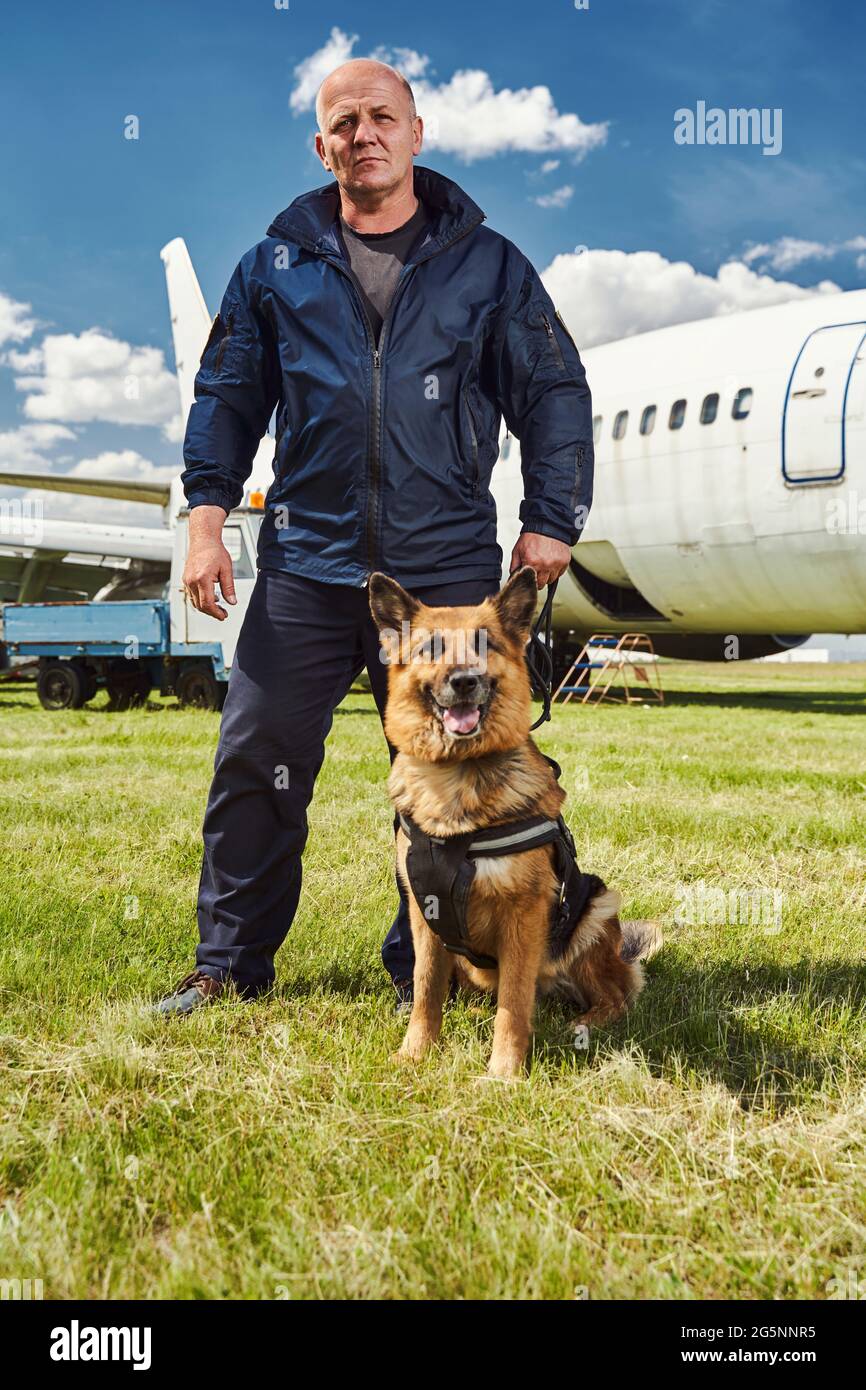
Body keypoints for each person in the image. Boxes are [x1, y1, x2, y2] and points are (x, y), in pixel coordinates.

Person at [156, 57, 594, 1016]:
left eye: (382, 117)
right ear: (323, 148)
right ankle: (228, 965)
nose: (365, 135)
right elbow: (225, 401)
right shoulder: (274, 265)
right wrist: (204, 527)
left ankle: (426, 972)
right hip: (309, 564)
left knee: (460, 769)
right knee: (256, 756)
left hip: (442, 569)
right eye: (344, 123)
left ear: (417, 132)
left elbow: (556, 392)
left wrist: (552, 520)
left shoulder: (491, 265)